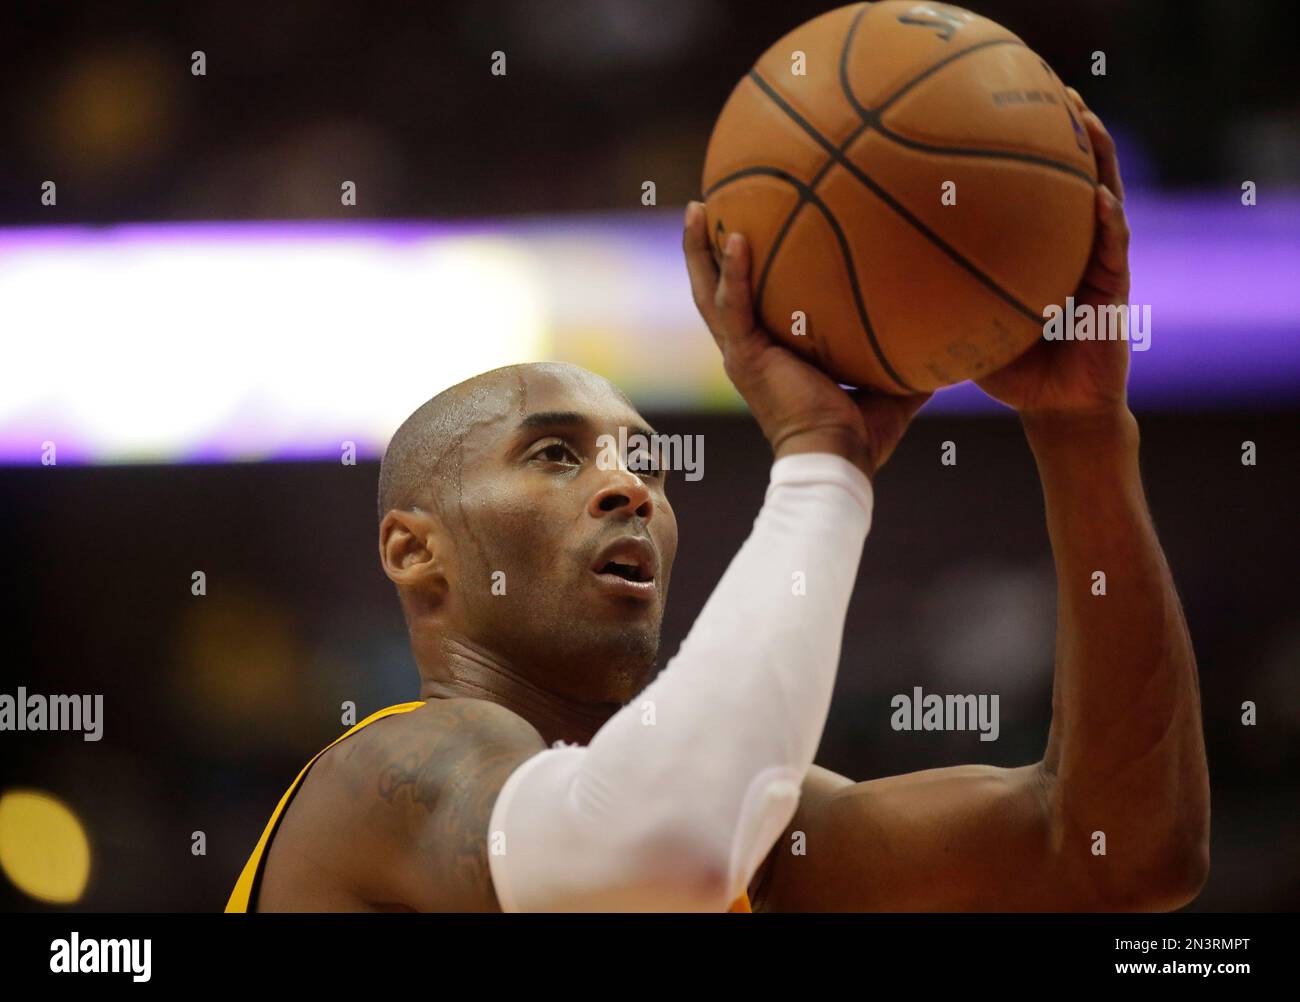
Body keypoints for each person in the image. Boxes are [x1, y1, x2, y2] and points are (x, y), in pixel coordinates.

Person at [226, 90, 1208, 912]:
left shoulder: (756, 836)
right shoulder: (394, 769)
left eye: (648, 465)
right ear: (413, 551)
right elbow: (656, 850)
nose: (627, 487)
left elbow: (1122, 849)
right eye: (556, 455)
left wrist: (1084, 436)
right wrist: (824, 459)